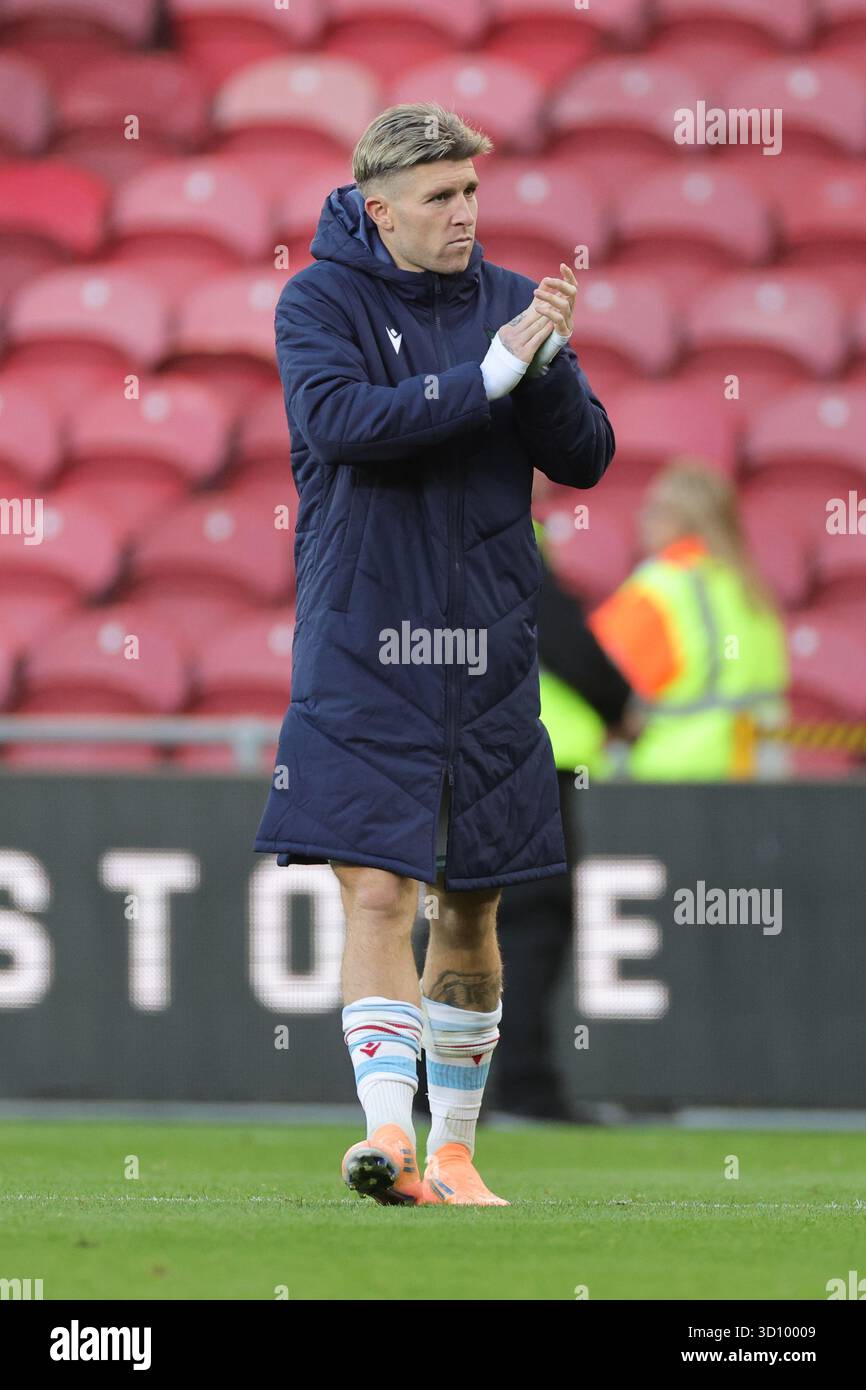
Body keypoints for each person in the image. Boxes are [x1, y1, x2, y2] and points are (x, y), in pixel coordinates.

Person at [253, 102, 615, 1205]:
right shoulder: (317, 300)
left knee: (473, 901)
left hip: (490, 654)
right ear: (379, 212)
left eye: (470, 192)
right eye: (439, 198)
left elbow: (588, 456)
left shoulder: (511, 306)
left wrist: (542, 367)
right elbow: (343, 426)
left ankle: (455, 1152)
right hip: (364, 639)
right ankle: (386, 1139)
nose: (464, 215)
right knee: (378, 891)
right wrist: (489, 381)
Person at [491, 513, 632, 1122]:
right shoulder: (508, 533)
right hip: (533, 757)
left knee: (466, 913)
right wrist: (618, 702)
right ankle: (525, 1086)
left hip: (477, 753)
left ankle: (423, 1081)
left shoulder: (449, 535)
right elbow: (562, 637)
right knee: (531, 922)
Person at [588, 463, 788, 780]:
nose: (641, 519)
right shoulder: (754, 591)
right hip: (756, 779)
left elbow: (597, 680)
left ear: (674, 519)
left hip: (672, 781)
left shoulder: (661, 588)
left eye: (652, 510)